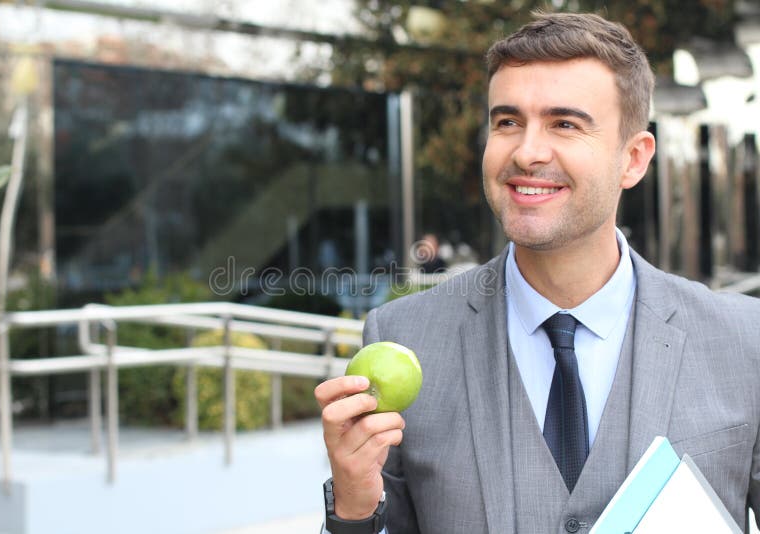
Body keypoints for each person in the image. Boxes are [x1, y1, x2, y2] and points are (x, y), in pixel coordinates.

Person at [315, 12, 760, 534]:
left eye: (564, 124)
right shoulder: (404, 337)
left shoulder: (746, 340)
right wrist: (354, 508)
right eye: (507, 122)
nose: (526, 151)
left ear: (634, 159)